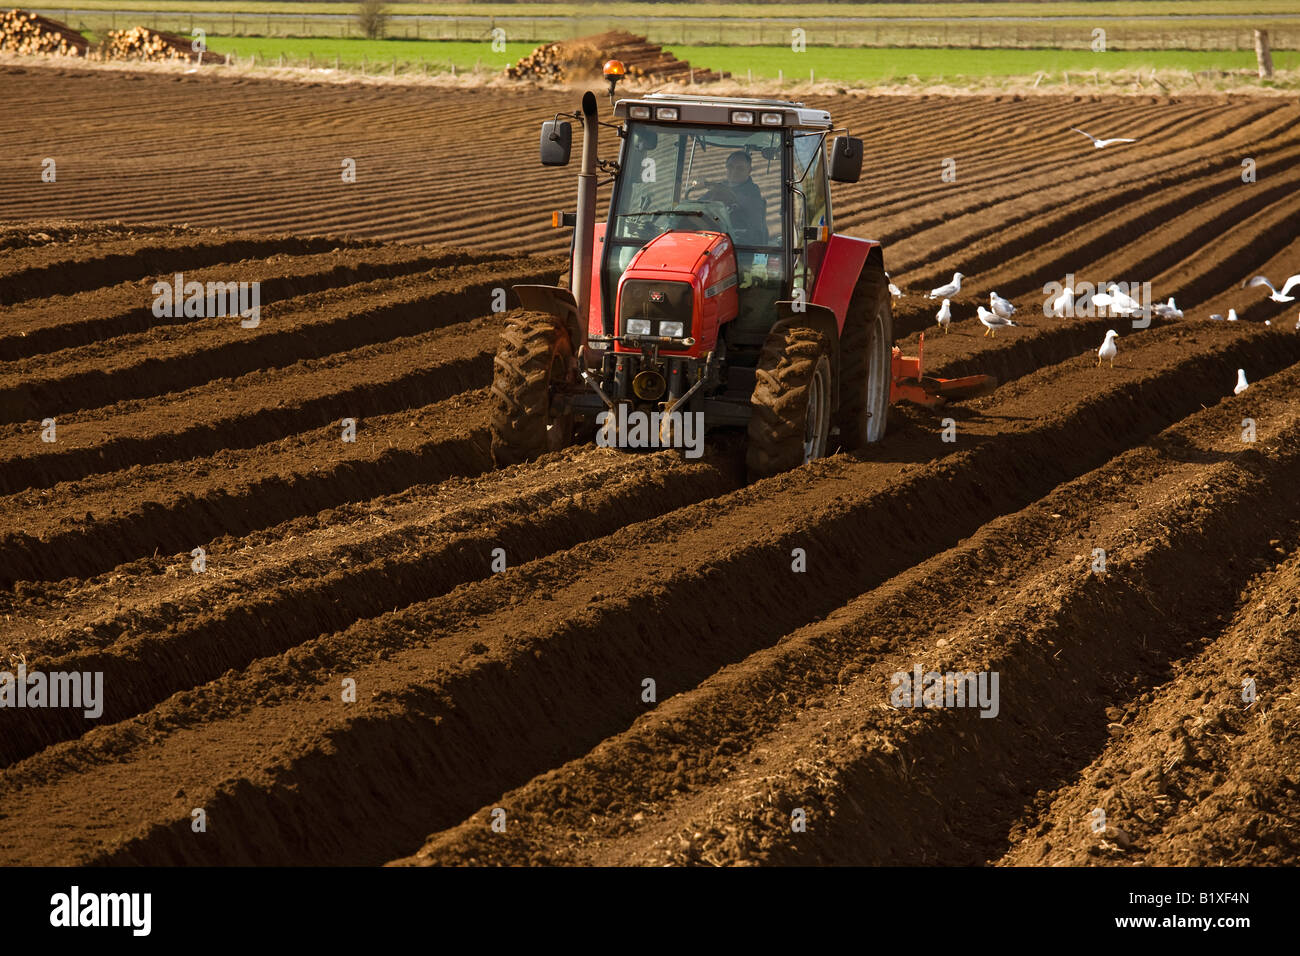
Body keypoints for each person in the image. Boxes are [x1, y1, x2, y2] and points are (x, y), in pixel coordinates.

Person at [704, 151, 767, 247]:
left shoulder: (753, 194)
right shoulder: (719, 188)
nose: (734, 171)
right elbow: (699, 205)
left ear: (749, 171)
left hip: (740, 246)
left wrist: (730, 199)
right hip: (713, 240)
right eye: (730, 167)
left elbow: (754, 231)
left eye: (740, 168)